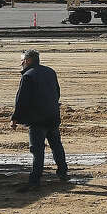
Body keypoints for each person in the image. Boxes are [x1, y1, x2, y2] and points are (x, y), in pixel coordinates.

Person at [11, 49, 68, 191]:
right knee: (56, 146)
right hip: (53, 116)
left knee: (37, 150)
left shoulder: (28, 76)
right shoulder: (50, 72)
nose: (21, 62)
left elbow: (21, 100)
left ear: (28, 61)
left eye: (23, 60)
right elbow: (57, 92)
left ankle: (35, 180)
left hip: (37, 119)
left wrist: (15, 118)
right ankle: (63, 173)